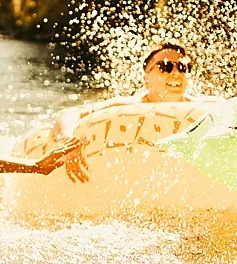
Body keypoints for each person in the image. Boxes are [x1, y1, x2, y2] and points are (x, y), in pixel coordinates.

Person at [48, 42, 215, 182]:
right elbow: (68, 114)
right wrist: (67, 142)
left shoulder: (206, 105)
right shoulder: (127, 106)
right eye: (165, 66)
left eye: (182, 67)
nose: (175, 73)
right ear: (146, 79)